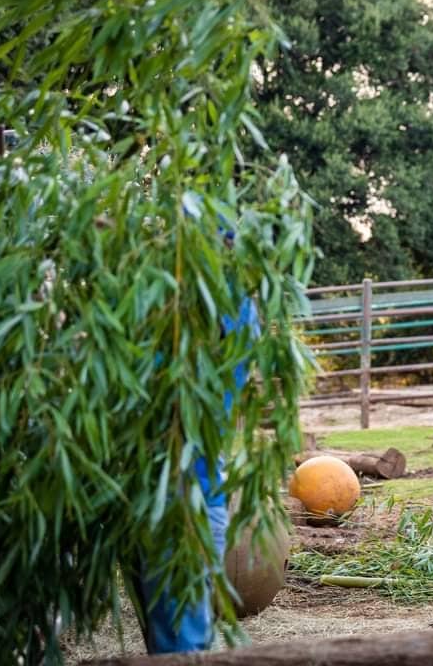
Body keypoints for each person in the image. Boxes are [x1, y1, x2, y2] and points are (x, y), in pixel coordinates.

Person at [137, 197, 259, 653]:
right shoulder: (238, 303)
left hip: (178, 482)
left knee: (180, 623)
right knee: (186, 614)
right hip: (202, 478)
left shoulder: (185, 304)